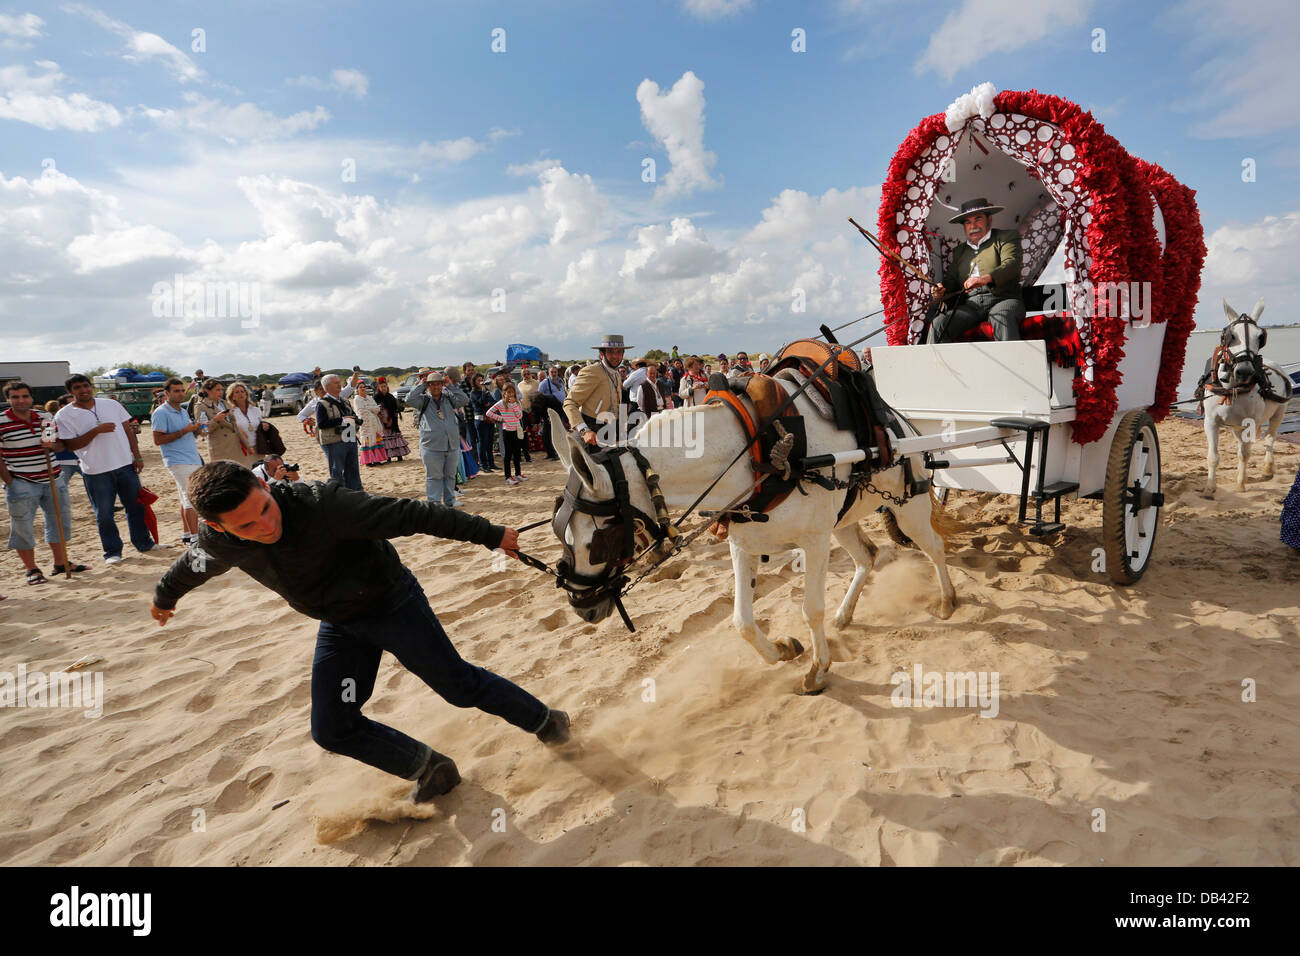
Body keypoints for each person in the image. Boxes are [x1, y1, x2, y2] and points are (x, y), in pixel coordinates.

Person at [149, 462, 569, 800]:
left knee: (458, 687)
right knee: (333, 727)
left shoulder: (321, 504)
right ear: (220, 528)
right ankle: (430, 768)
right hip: (340, 624)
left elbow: (410, 514)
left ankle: (547, 721)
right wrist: (164, 599)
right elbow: (192, 567)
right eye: (246, 526)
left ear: (265, 487)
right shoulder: (217, 542)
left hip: (391, 602)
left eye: (264, 507)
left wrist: (490, 534)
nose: (264, 525)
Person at [55, 374, 164, 564]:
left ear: (92, 387)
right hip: (95, 470)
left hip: (124, 464)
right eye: (78, 387)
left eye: (86, 385)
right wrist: (96, 431)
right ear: (70, 392)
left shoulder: (111, 404)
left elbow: (128, 430)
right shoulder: (64, 415)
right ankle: (112, 551)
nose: (84, 390)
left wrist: (136, 455)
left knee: (136, 507)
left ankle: (143, 543)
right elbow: (70, 445)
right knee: (104, 514)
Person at [1, 381, 84, 584]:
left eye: (25, 396)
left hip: (53, 476)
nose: (21, 401)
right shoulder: (1, 421)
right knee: (22, 526)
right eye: (15, 397)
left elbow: (54, 445)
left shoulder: (45, 417)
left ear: (31, 397)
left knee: (59, 521)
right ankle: (32, 569)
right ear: (8, 399)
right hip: (21, 480)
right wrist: (9, 480)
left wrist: (51, 444)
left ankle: (60, 562)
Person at [930, 197, 1024, 344]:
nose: (973, 225)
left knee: (1001, 316)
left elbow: (1012, 264)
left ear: (989, 219)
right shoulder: (959, 251)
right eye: (968, 222)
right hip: (970, 307)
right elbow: (951, 281)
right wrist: (940, 292)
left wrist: (984, 279)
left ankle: (1012, 365)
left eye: (978, 219)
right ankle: (936, 367)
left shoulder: (1006, 237)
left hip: (1004, 299)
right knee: (939, 324)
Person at [150, 377, 205, 547]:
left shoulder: (181, 411)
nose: (181, 393)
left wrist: (195, 429)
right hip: (178, 460)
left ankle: (188, 534)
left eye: (182, 390)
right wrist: (185, 430)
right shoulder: (161, 412)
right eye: (176, 391)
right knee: (191, 498)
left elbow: (187, 434)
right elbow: (158, 439)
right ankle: (196, 538)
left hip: (191, 457)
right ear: (166, 393)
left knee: (184, 497)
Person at [408, 371, 470, 507]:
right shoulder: (423, 400)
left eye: (438, 384)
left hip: (451, 444)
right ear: (428, 385)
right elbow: (409, 399)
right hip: (431, 446)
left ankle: (450, 501)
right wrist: (421, 385)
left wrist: (451, 386)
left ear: (442, 384)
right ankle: (434, 504)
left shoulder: (449, 398)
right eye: (432, 384)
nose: (436, 387)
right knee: (434, 477)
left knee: (450, 476)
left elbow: (465, 400)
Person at [564, 333, 629, 447]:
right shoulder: (591, 371)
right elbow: (569, 403)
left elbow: (617, 403)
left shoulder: (617, 375)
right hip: (592, 434)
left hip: (611, 433)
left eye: (619, 352)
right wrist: (584, 431)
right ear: (601, 354)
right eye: (611, 352)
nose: (615, 356)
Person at [316, 373, 363, 491]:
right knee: (337, 472)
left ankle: (356, 494)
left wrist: (355, 420)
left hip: (349, 437)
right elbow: (321, 424)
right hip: (334, 441)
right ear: (327, 387)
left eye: (339, 382)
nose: (339, 385)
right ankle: (340, 496)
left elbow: (352, 415)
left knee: (353, 470)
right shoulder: (322, 404)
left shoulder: (345, 401)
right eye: (336, 383)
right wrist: (342, 420)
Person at [193, 379, 245, 465]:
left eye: (222, 390)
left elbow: (234, 423)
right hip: (220, 448)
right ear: (207, 391)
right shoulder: (201, 406)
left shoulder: (224, 403)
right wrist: (215, 420)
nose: (221, 392)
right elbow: (203, 431)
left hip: (234, 444)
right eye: (217, 390)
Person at [486, 382, 528, 486]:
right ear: (504, 393)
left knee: (517, 453)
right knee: (508, 455)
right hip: (507, 432)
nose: (510, 394)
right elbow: (489, 413)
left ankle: (518, 473)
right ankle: (508, 477)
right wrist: (501, 419)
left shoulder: (517, 402)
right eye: (508, 392)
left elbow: (519, 416)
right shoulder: (500, 403)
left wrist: (514, 404)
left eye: (512, 392)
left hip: (516, 430)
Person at [225, 382, 265, 468]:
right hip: (241, 448)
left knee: (260, 471)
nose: (240, 394)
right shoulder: (230, 412)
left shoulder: (255, 409)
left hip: (258, 446)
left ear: (246, 393)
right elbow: (228, 429)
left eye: (242, 391)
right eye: (237, 392)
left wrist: (265, 426)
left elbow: (261, 424)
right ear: (232, 396)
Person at [351, 380, 389, 468]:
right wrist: (371, 410)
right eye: (360, 387)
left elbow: (377, 409)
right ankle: (368, 461)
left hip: (374, 422)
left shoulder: (370, 397)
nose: (363, 388)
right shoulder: (357, 399)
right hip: (366, 423)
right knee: (367, 440)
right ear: (357, 389)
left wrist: (369, 409)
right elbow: (360, 411)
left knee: (376, 440)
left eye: (364, 387)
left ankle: (377, 459)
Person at [373, 377, 410, 462]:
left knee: (395, 436)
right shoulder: (376, 397)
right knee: (386, 438)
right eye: (382, 387)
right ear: (378, 387)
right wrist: (382, 419)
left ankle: (399, 455)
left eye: (385, 386)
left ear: (387, 387)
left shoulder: (391, 397)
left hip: (392, 421)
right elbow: (374, 410)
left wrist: (392, 420)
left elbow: (395, 409)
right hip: (382, 421)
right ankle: (388, 457)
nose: (383, 388)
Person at [536, 365, 567, 460]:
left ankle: (554, 452)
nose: (554, 374)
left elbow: (563, 392)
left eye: (555, 372)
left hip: (560, 409)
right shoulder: (545, 383)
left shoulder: (561, 381)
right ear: (548, 373)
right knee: (549, 432)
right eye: (551, 372)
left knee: (558, 430)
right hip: (549, 410)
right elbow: (539, 397)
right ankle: (551, 452)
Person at [469, 374, 498, 471]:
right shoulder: (473, 393)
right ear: (474, 382)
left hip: (489, 419)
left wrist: (488, 403)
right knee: (482, 443)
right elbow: (482, 402)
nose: (481, 382)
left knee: (490, 442)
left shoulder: (486, 391)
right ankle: (483, 465)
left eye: (482, 380)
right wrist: (484, 393)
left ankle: (491, 463)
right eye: (479, 380)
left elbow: (494, 402)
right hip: (481, 420)